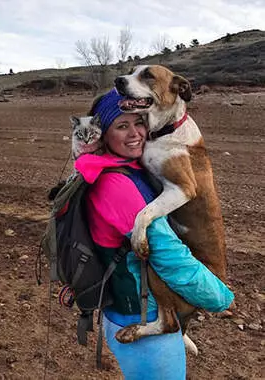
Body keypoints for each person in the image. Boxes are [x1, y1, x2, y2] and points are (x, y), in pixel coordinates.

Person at [74, 88, 234, 379]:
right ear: (101, 134)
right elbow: (169, 257)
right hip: (143, 318)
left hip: (133, 308)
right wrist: (222, 298)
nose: (136, 133)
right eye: (122, 126)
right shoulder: (117, 185)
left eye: (140, 122)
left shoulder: (129, 169)